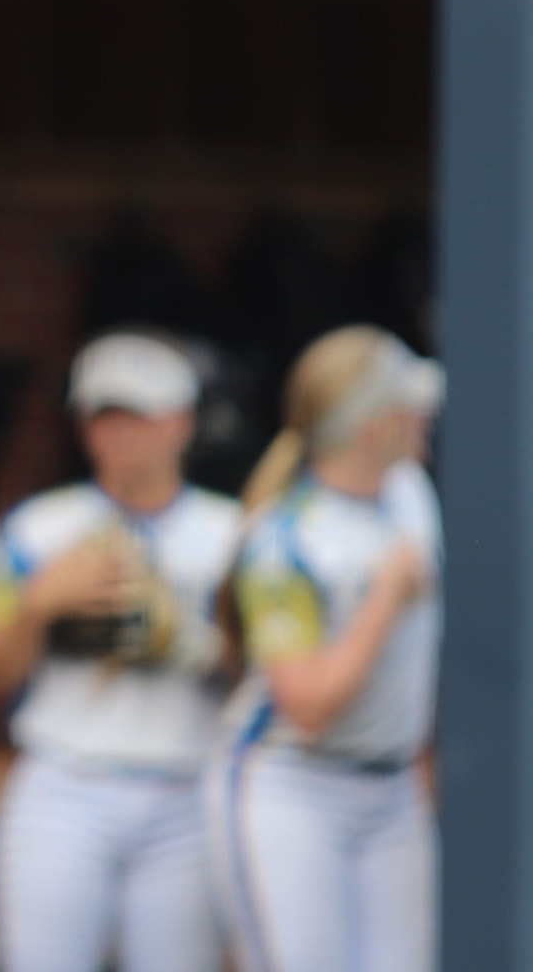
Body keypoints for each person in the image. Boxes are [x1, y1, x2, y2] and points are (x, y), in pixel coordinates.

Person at [0, 331, 241, 972]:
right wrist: (40, 601)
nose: (120, 433)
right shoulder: (37, 526)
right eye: (104, 415)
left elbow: (269, 676)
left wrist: (189, 641)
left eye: (138, 415)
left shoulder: (232, 530)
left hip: (187, 788)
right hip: (66, 780)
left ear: (182, 422)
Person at [208, 325, 441, 972]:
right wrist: (385, 599)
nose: (423, 418)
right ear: (371, 426)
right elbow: (306, 706)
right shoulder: (284, 539)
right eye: (406, 407)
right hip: (294, 789)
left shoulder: (411, 493)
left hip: (391, 790)